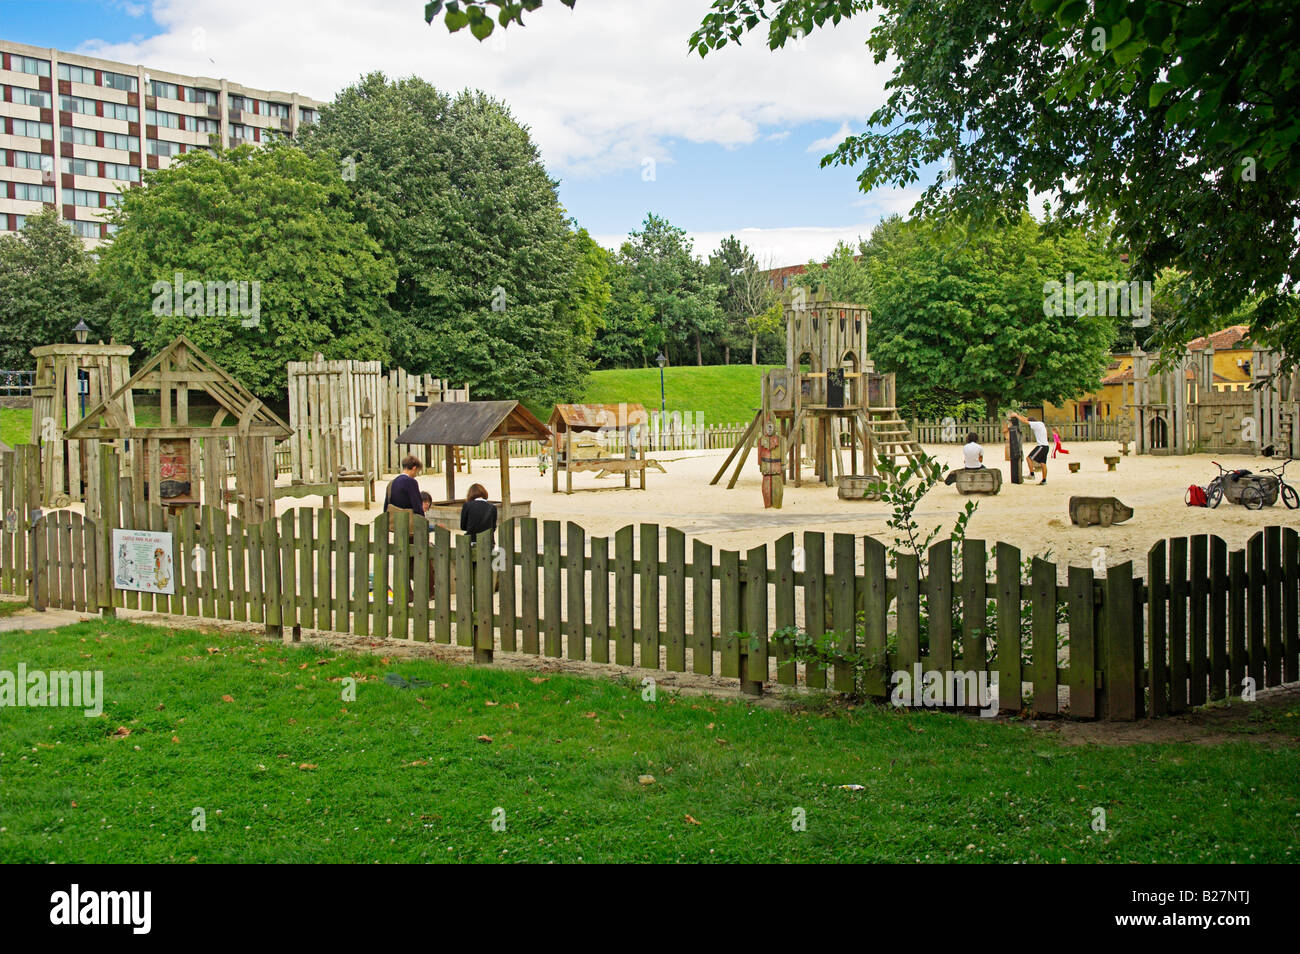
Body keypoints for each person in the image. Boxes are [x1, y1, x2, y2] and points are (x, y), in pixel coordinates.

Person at [1011, 412, 1050, 484]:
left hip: (1041, 446)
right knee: (1043, 463)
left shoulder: (1035, 424)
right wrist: (1019, 415)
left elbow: (1025, 421)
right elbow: (1026, 419)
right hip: (1046, 446)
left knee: (1029, 458)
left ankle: (1032, 474)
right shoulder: (1040, 423)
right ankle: (1044, 480)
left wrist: (1016, 415)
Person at [460, 482, 497, 551]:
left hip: (472, 541)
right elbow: (494, 527)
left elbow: (463, 526)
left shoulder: (467, 505)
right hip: (488, 542)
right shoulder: (492, 507)